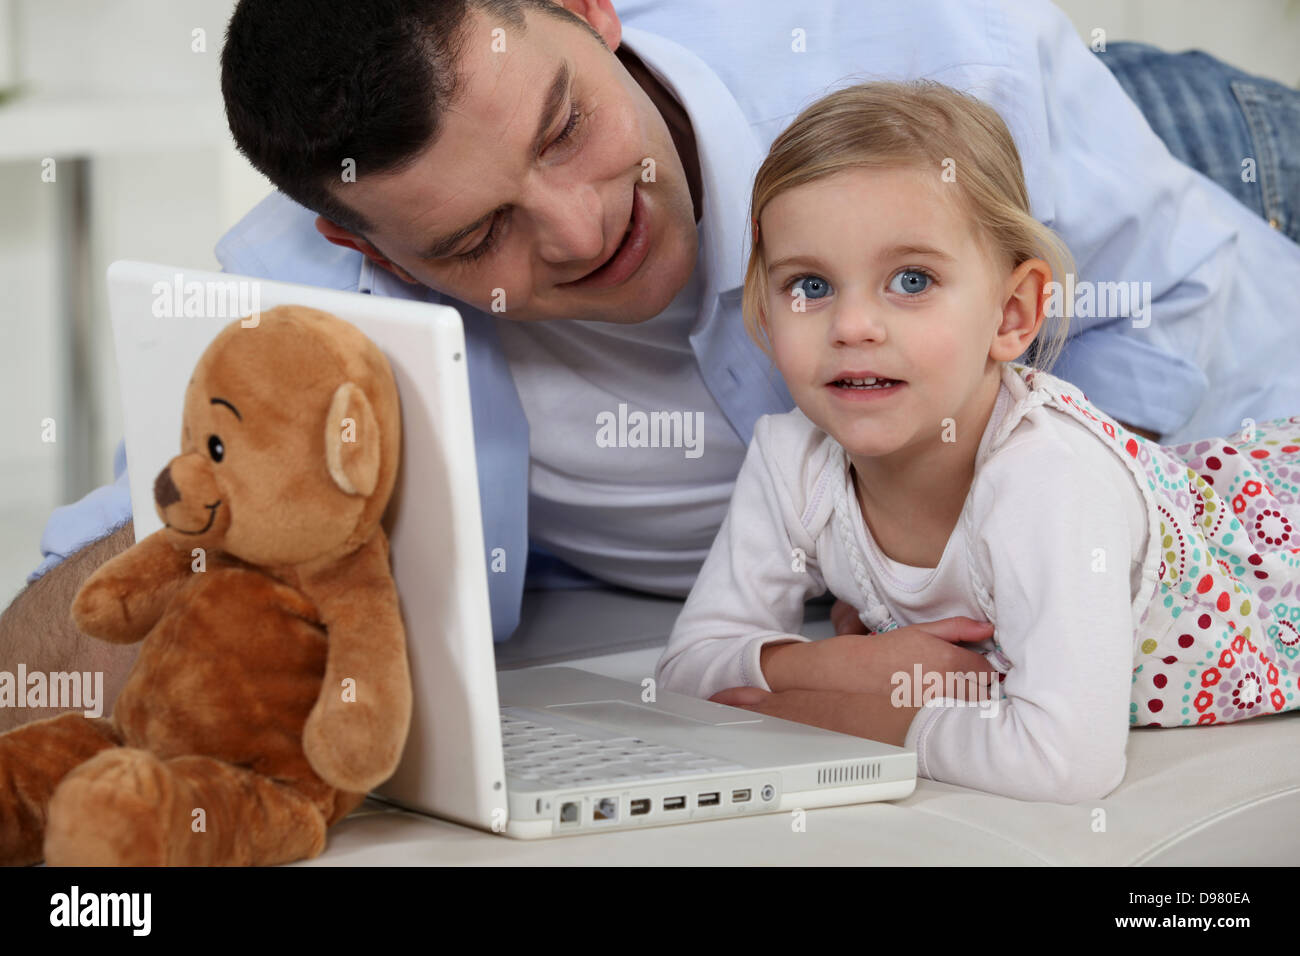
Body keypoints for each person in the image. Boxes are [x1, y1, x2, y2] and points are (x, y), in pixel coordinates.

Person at [6, 0, 1300, 731]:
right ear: (369, 248)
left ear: (586, 9)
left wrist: (966, 578)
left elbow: (1224, 339)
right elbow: (94, 603)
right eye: (478, 239)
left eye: (567, 127)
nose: (582, 230)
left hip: (1194, 156)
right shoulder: (302, 282)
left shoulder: (937, 45)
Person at [657, 80, 1300, 803]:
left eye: (911, 279)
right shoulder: (790, 458)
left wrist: (873, 719)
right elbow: (688, 666)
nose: (852, 326)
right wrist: (854, 668)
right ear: (766, 314)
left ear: (1012, 314)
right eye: (809, 285)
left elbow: (1066, 763)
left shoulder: (1046, 481)